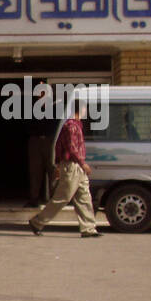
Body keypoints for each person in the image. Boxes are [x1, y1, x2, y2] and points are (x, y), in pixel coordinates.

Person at [29, 97, 100, 237]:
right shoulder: (71, 126)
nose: (86, 112)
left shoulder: (76, 125)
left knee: (84, 197)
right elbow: (72, 148)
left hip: (77, 167)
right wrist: (83, 163)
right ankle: (37, 222)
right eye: (85, 109)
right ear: (80, 109)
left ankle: (89, 228)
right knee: (63, 197)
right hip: (73, 166)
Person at [24, 79, 57, 207]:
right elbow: (27, 125)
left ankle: (54, 200)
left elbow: (56, 125)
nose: (41, 94)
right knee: (35, 171)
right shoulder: (31, 108)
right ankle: (34, 199)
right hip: (35, 141)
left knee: (52, 170)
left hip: (50, 141)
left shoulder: (54, 107)